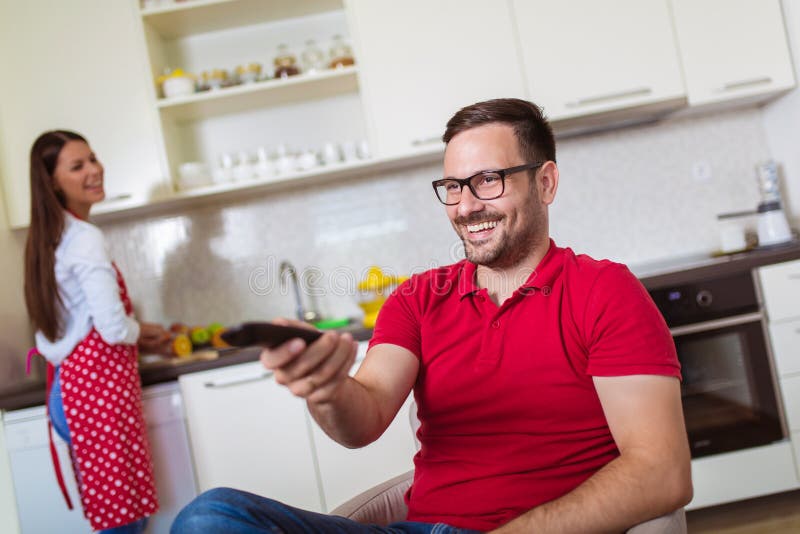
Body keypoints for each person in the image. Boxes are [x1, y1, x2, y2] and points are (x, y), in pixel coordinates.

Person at [172, 98, 692, 533]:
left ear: (546, 183)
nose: (466, 207)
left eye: (488, 180)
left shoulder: (604, 291)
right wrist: (328, 390)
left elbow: (662, 472)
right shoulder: (418, 299)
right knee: (210, 517)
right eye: (454, 187)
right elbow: (364, 418)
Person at [24, 130, 171, 533]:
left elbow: (79, 326)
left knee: (119, 517)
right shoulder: (84, 238)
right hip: (94, 393)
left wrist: (139, 332)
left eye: (93, 158)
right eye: (78, 165)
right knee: (124, 522)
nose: (94, 169)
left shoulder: (52, 237)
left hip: (72, 390)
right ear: (53, 181)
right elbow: (110, 328)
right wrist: (137, 329)